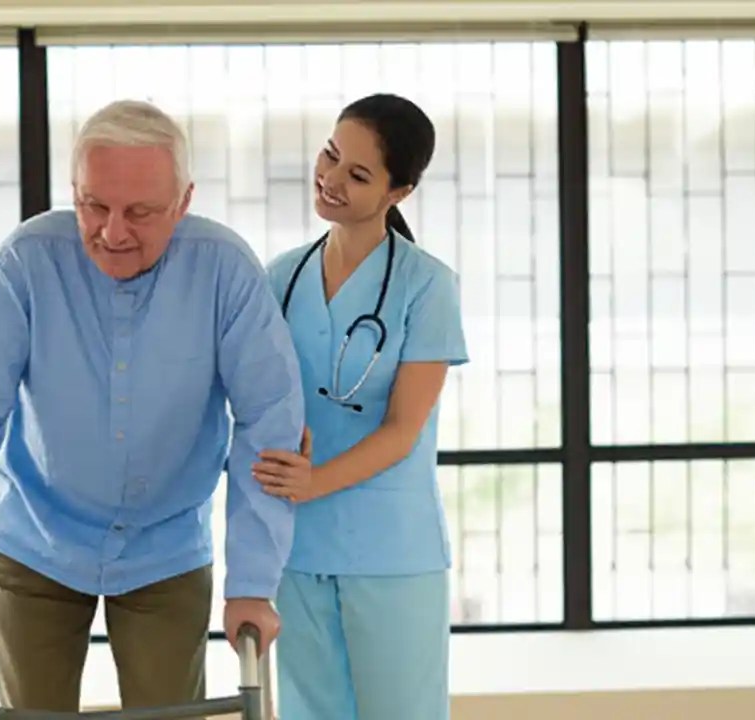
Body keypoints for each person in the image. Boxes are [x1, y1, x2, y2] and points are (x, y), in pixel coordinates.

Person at [0, 99, 305, 713]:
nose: (113, 232)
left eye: (141, 212)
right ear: (74, 190)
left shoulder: (224, 269)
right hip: (37, 537)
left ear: (184, 200)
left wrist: (253, 582)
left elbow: (268, 424)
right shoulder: (28, 261)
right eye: (94, 205)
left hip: (166, 543)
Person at [251, 93, 468, 720]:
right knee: (308, 712)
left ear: (398, 192)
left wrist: (312, 482)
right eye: (330, 154)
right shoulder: (281, 278)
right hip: (298, 548)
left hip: (392, 551)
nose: (331, 178)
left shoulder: (426, 286)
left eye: (358, 174)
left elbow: (403, 430)